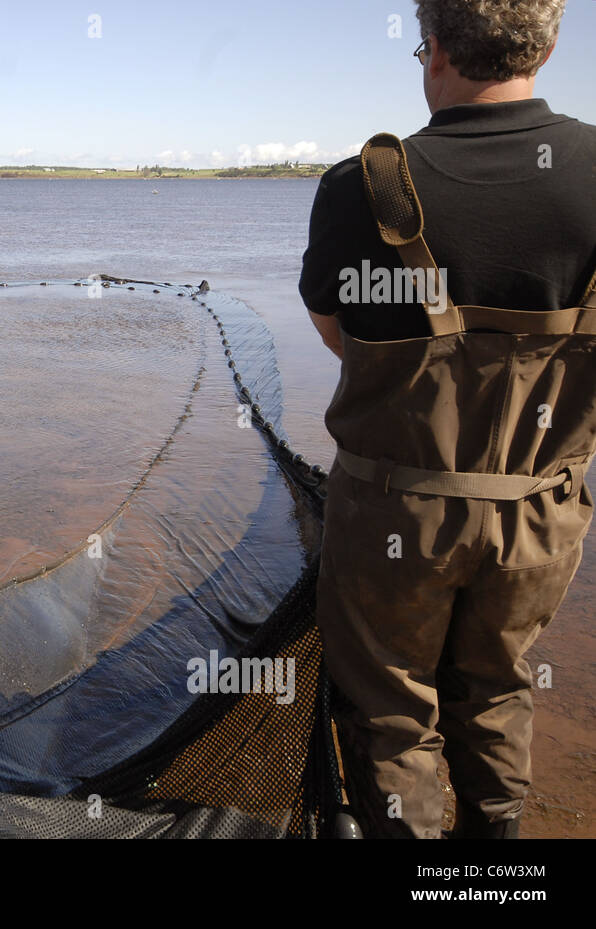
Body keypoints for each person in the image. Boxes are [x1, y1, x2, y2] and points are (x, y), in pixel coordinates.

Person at [301, 0, 596, 838]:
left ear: (432, 51)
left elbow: (341, 336)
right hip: (543, 512)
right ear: (549, 42)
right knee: (500, 684)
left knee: (391, 707)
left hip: (395, 510)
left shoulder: (364, 186)